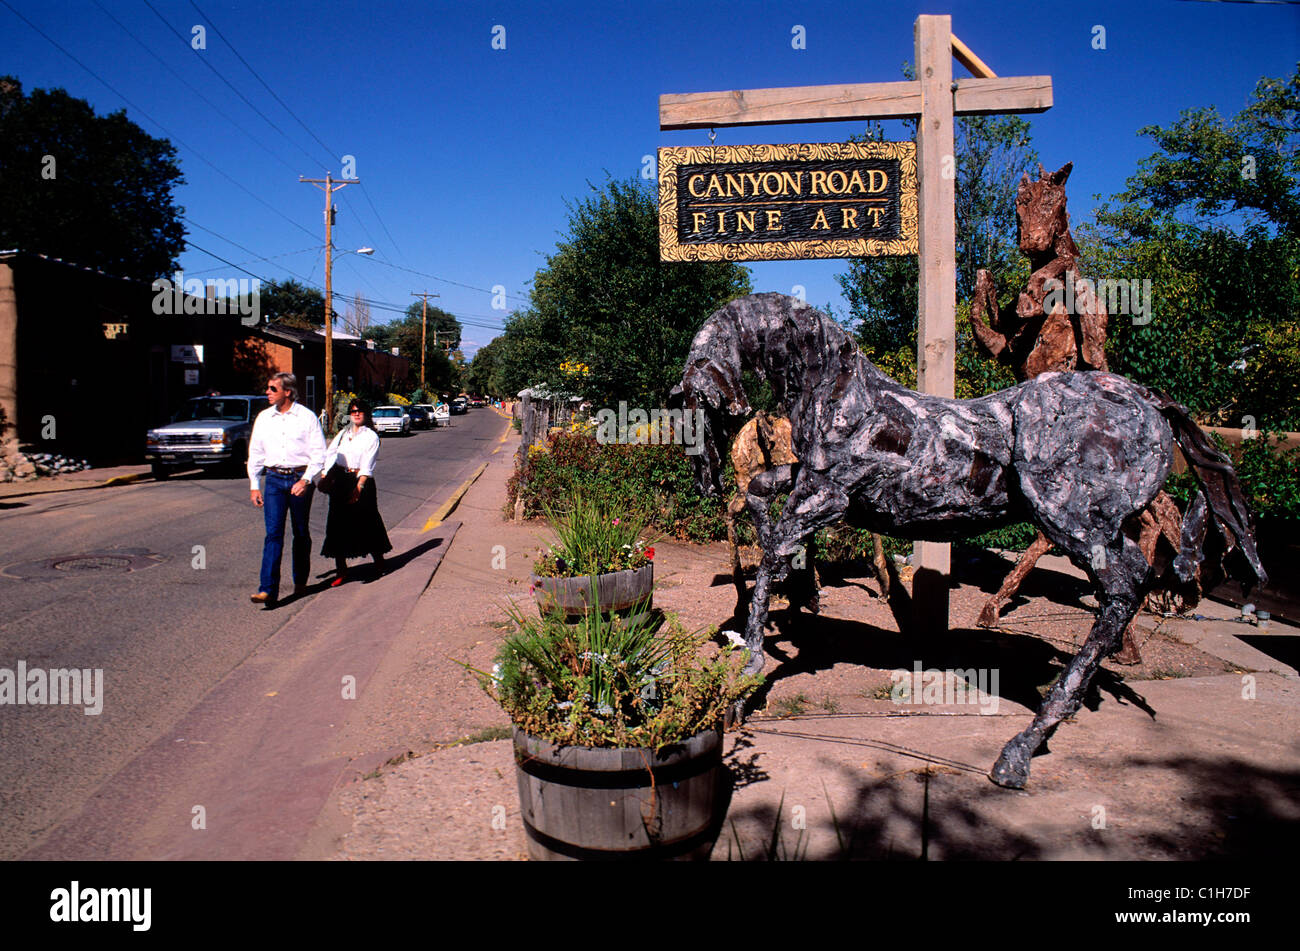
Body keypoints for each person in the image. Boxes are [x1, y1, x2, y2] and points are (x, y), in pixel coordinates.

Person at [247, 372, 327, 605]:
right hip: (273, 479)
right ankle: (267, 590)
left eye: (272, 389)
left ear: (287, 392)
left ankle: (300, 581)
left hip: (299, 478)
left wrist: (306, 480)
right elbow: (256, 453)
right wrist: (254, 485)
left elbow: (319, 454)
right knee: (273, 534)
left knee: (300, 532)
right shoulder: (263, 418)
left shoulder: (307, 417)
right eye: (268, 388)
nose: (268, 392)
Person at [320, 399, 392, 586]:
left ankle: (379, 561)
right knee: (336, 524)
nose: (356, 414)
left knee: (367, 522)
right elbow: (331, 453)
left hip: (362, 481)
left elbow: (368, 464)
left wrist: (359, 487)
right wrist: (325, 474)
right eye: (353, 411)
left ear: (366, 414)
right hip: (341, 480)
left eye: (360, 411)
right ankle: (341, 571)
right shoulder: (343, 434)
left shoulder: (371, 437)